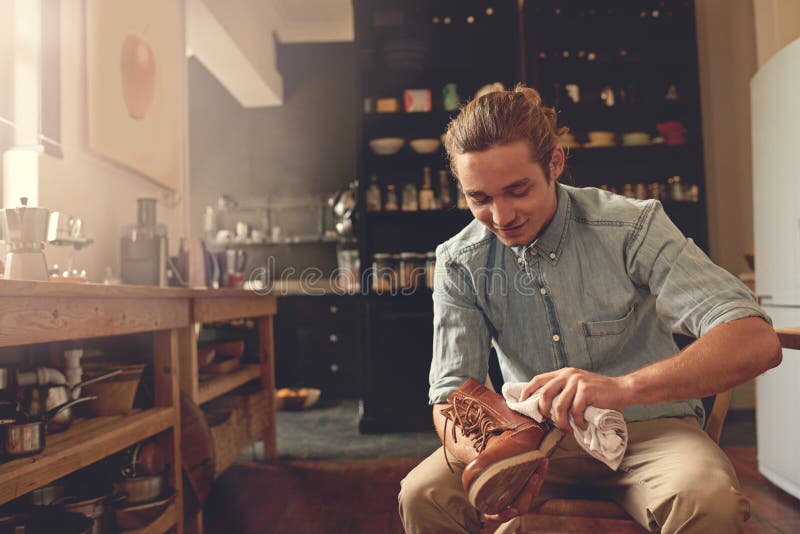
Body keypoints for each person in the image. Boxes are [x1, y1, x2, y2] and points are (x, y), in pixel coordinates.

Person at [398, 85, 782, 534]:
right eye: (479, 199)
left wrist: (622, 388)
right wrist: (489, 458)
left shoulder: (632, 226)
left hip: (650, 429)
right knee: (422, 495)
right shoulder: (460, 260)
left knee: (708, 500)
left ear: (555, 163)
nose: (501, 216)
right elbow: (449, 393)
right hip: (530, 443)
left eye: (517, 191)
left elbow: (755, 341)